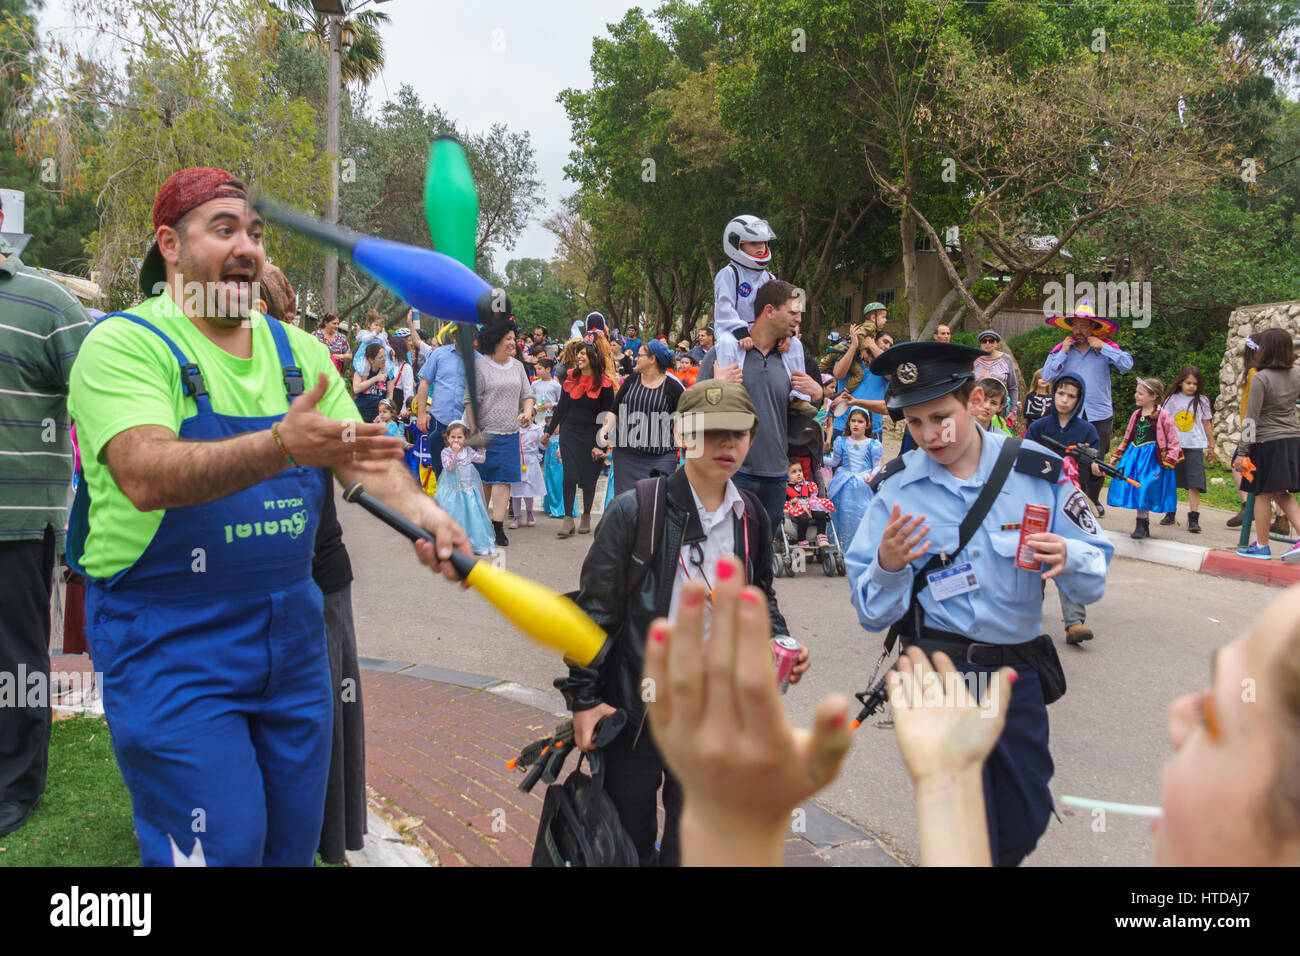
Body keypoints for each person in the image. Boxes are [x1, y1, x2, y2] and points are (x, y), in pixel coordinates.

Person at [65, 166, 468, 867]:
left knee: (288, 845)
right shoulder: (126, 344)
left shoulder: (300, 352)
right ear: (170, 243)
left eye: (254, 232)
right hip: (169, 638)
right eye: (223, 230)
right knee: (222, 844)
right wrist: (280, 443)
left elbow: (365, 459)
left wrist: (425, 514)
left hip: (293, 635)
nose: (247, 247)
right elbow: (143, 471)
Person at [845, 341, 1113, 866]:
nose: (929, 435)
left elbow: (1096, 572)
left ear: (975, 400)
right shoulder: (897, 489)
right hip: (939, 673)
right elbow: (869, 611)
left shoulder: (1040, 471)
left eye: (941, 417)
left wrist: (1071, 555)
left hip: (1017, 674)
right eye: (915, 423)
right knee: (961, 825)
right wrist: (889, 564)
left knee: (1023, 816)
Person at [558, 379, 809, 866]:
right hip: (637, 707)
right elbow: (593, 614)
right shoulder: (636, 508)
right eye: (710, 432)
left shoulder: (751, 514)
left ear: (753, 439)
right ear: (683, 436)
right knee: (626, 838)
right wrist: (584, 701)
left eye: (737, 434)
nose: (726, 445)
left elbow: (761, 594)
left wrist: (779, 638)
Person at [0, 192, 91, 839]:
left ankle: (14, 790)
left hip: (19, 524)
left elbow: (101, 397)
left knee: (15, 663)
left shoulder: (50, 305)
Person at [698, 280, 824, 530]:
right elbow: (689, 415)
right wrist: (716, 386)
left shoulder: (794, 360)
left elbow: (795, 424)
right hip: (732, 475)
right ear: (769, 311)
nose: (798, 319)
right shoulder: (723, 355)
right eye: (792, 312)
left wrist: (818, 396)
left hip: (776, 477)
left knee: (763, 559)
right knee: (728, 559)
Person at [1025, 375, 1104, 645]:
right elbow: (1023, 459)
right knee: (1034, 554)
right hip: (1037, 496)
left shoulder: (1087, 431)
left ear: (1078, 399)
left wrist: (1093, 469)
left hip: (1070, 501)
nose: (1064, 399)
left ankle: (1074, 623)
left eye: (1071, 396)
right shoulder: (1037, 427)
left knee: (1068, 554)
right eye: (1061, 393)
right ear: (1053, 393)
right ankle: (1027, 617)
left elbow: (1095, 471)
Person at [1041, 300, 1135, 513]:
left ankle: (1093, 500)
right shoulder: (1062, 349)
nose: (1078, 330)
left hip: (1099, 412)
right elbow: (1046, 376)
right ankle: (1067, 497)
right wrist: (1063, 352)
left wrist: (1104, 348)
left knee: (1097, 459)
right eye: (1075, 325)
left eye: (1083, 326)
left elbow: (1127, 365)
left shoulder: (1106, 348)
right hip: (1069, 413)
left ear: (1093, 327)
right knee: (1067, 454)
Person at [712, 215, 812, 410]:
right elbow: (724, 308)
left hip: (762, 330)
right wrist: (740, 331)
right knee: (727, 344)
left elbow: (784, 308)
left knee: (796, 345)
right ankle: (731, 395)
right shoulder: (729, 273)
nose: (761, 248)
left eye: (764, 243)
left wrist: (788, 333)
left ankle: (799, 397)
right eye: (754, 243)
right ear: (736, 244)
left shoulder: (770, 277)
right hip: (732, 328)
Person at [464, 319, 535, 548]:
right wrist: (474, 431)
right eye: (508, 339)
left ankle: (497, 526)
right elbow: (470, 401)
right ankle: (480, 525)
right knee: (484, 480)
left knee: (503, 481)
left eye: (514, 339)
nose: (513, 343)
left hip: (510, 434)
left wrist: (526, 412)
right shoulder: (480, 367)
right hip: (484, 433)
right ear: (494, 341)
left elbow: (528, 395)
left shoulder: (517, 366)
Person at [1233, 329, 1300, 561]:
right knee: (1276, 492)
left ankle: (1262, 545)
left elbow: (1251, 419)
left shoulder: (1261, 377)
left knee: (1263, 492)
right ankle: (1262, 544)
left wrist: (1242, 453)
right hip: (1291, 439)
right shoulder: (1297, 373)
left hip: (1266, 441)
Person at [541, 340, 616, 537]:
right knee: (569, 475)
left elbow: (607, 416)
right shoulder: (569, 378)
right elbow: (562, 408)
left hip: (593, 435)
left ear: (594, 357)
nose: (579, 357)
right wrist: (548, 432)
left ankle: (587, 515)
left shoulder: (605, 384)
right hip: (570, 433)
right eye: (578, 353)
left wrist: (600, 444)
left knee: (589, 478)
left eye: (584, 353)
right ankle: (567, 519)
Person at [608, 339, 685, 497]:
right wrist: (603, 433)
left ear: (652, 359)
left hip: (660, 458)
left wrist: (683, 443)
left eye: (640, 355)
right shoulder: (631, 381)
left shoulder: (673, 388)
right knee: (627, 505)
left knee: (655, 504)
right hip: (626, 456)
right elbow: (614, 410)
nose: (635, 358)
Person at [1107, 378, 1181, 540]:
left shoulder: (1163, 415)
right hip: (1134, 456)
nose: (1136, 395)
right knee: (1135, 487)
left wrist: (1171, 457)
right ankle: (1141, 522)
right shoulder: (1136, 414)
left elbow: (1173, 439)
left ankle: (1143, 523)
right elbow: (1127, 436)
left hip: (1152, 459)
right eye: (1136, 392)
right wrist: (1117, 455)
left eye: (1140, 393)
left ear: (1153, 396)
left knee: (1145, 487)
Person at [1160, 366, 1214, 533]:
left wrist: (1211, 444)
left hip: (1195, 444)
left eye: (1195, 384)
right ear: (1181, 382)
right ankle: (1170, 512)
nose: (1191, 386)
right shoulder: (1172, 399)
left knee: (1195, 482)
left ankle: (1194, 516)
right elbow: (1164, 422)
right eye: (1188, 382)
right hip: (1175, 445)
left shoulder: (1202, 400)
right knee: (1171, 480)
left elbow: (1206, 423)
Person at [827, 408, 883, 552]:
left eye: (860, 421)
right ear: (848, 423)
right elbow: (834, 461)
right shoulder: (842, 441)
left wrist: (872, 476)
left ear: (868, 425)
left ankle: (862, 549)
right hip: (844, 482)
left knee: (862, 513)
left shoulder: (873, 444)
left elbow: (877, 466)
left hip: (864, 484)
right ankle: (841, 548)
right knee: (843, 512)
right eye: (853, 421)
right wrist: (816, 457)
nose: (856, 424)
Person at [435, 421, 495, 556]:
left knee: (471, 516)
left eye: (459, 437)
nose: (456, 440)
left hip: (468, 491)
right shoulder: (445, 452)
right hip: (452, 492)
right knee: (453, 516)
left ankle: (473, 542)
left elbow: (481, 459)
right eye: (453, 437)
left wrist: (481, 447)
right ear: (447, 438)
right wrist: (455, 454)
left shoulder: (468, 451)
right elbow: (449, 468)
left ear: (466, 438)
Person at [416, 331, 468, 479]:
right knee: (439, 471)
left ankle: (460, 502)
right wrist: (421, 414)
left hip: (465, 424)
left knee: (463, 474)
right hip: (439, 421)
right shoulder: (438, 354)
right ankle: (442, 501)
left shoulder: (478, 360)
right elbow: (424, 383)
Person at [830, 327, 892, 442]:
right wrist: (854, 346)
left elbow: (890, 374)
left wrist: (871, 344)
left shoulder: (886, 366)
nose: (888, 347)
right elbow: (838, 374)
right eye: (885, 342)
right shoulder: (851, 358)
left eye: (890, 345)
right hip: (843, 426)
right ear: (874, 338)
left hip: (871, 429)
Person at [973, 330, 1020, 425]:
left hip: (1000, 408)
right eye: (984, 341)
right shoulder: (974, 359)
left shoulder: (1006, 359)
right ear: (980, 344)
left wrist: (1013, 410)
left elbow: (1013, 387)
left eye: (991, 341)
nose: (987, 343)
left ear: (996, 343)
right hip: (978, 405)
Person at [784, 460, 834, 548]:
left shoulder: (808, 485)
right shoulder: (786, 487)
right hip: (795, 509)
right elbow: (784, 501)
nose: (798, 474)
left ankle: (821, 537)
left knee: (821, 514)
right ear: (786, 476)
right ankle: (802, 540)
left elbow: (814, 496)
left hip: (808, 507)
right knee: (803, 518)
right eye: (794, 472)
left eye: (800, 471)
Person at [510, 412, 545, 529]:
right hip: (516, 461)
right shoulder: (513, 429)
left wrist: (545, 440)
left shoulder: (537, 429)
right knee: (516, 491)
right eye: (522, 416)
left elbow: (543, 446)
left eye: (530, 416)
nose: (525, 420)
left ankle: (530, 513)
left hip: (530, 462)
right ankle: (517, 517)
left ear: (533, 417)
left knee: (528, 489)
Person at [352, 342, 394, 424]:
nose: (384, 359)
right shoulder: (361, 371)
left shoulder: (388, 371)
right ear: (371, 360)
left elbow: (390, 393)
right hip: (361, 413)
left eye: (385, 356)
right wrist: (376, 378)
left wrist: (383, 413)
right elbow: (356, 389)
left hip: (378, 414)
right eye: (380, 357)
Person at [312, 312, 351, 376]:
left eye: (338, 324)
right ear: (326, 323)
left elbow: (349, 355)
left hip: (335, 374)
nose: (336, 326)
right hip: (318, 373)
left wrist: (339, 356)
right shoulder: (315, 335)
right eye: (334, 323)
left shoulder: (341, 337)